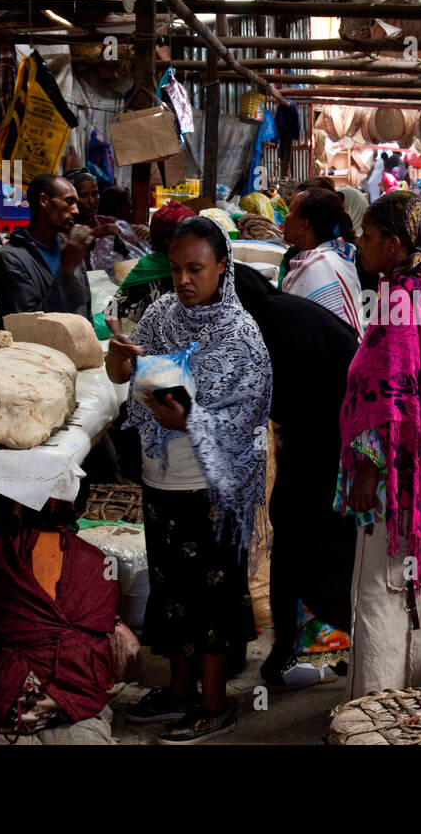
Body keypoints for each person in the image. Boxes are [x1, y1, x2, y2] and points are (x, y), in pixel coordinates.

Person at [107, 216, 271, 744]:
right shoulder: (159, 315)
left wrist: (189, 421)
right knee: (172, 587)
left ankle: (214, 702)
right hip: (161, 479)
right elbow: (125, 379)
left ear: (223, 266)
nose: (183, 280)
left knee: (213, 596)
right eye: (177, 268)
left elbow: (246, 416)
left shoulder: (241, 337)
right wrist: (118, 360)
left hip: (212, 487)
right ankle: (179, 692)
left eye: (195, 269)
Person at [335, 192, 421, 699]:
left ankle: (375, 709)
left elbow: (390, 395)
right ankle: (412, 704)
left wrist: (367, 470)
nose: (358, 245)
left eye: (366, 237)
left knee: (381, 594)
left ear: (394, 243)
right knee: (416, 589)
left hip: (393, 482)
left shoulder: (399, 306)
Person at [232, 263, 361, 689]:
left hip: (331, 438)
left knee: (309, 535)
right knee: (298, 529)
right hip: (321, 435)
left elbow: (272, 398)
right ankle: (297, 648)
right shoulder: (278, 312)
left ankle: (314, 648)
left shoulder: (269, 329)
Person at [0, 174, 92, 324]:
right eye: (69, 202)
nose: (76, 211)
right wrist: (68, 268)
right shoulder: (10, 259)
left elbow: (86, 316)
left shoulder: (70, 249)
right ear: (44, 201)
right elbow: (29, 327)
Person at [104, 202, 196, 335]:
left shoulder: (207, 266)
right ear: (166, 240)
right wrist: (119, 337)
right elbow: (112, 311)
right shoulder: (149, 269)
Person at [281, 186, 364, 333]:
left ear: (303, 224)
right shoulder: (341, 256)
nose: (285, 217)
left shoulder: (313, 267)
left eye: (290, 211)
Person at [68, 170, 149, 272]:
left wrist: (143, 230)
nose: (91, 201)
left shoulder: (108, 222)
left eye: (95, 194)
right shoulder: (66, 227)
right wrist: (95, 233)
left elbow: (132, 234)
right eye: (83, 196)